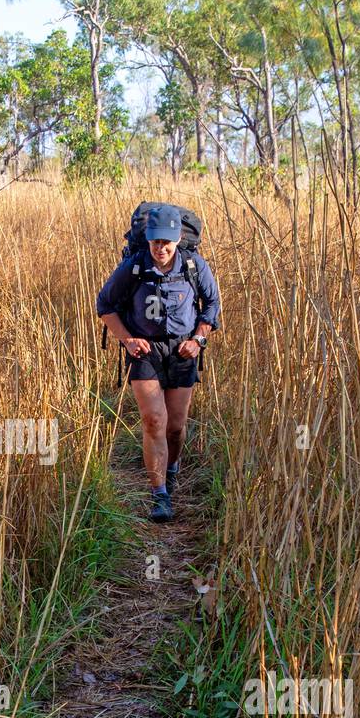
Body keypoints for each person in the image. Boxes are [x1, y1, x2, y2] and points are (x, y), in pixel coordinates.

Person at [96, 202, 221, 523]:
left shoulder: (194, 266)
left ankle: (173, 468)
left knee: (176, 428)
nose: (160, 248)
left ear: (178, 239)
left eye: (166, 242)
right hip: (145, 351)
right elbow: (105, 304)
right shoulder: (135, 267)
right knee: (154, 421)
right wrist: (127, 339)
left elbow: (212, 304)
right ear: (148, 239)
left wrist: (198, 340)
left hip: (182, 352)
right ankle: (160, 494)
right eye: (155, 241)